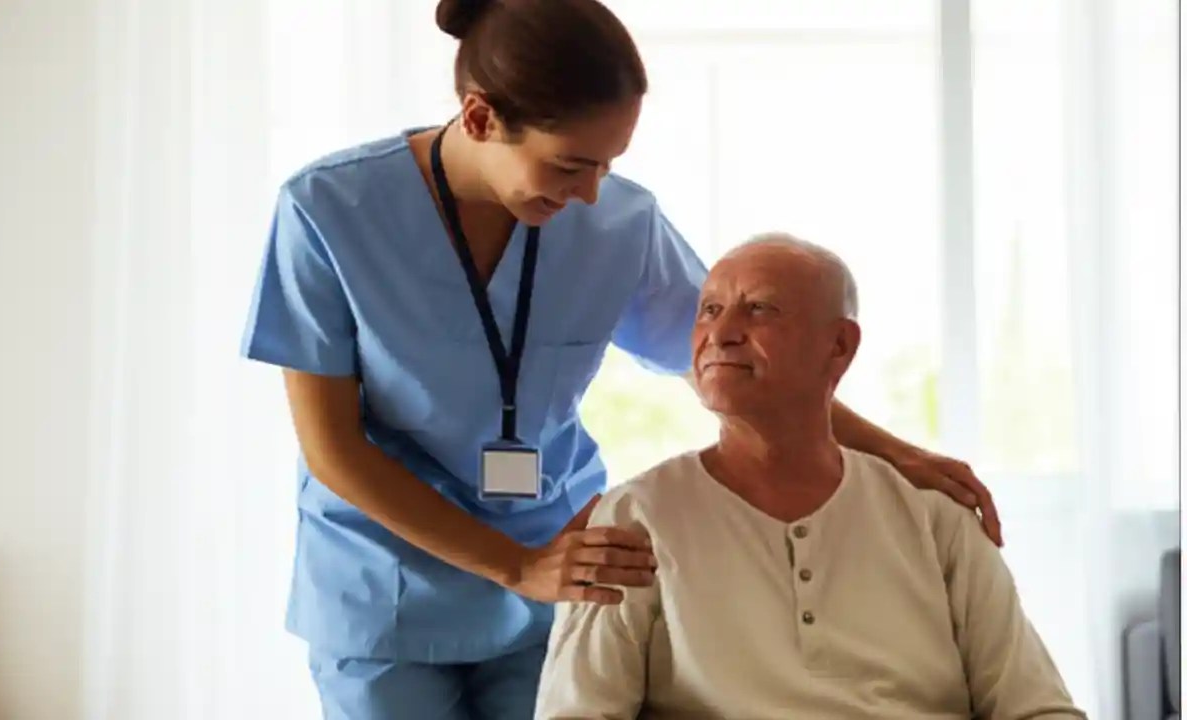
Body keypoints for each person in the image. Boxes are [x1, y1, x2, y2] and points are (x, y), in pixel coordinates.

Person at [240, 1, 1002, 717]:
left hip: (556, 566)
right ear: (479, 116)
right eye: (571, 165)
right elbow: (332, 447)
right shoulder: (328, 211)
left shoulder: (620, 224)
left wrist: (902, 455)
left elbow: (736, 364)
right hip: (387, 583)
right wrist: (512, 566)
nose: (592, 194)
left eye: (608, 164)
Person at [535, 235, 1083, 720]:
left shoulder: (934, 516)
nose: (721, 333)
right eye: (709, 310)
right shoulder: (636, 518)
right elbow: (580, 711)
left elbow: (1034, 705)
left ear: (839, 346)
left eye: (760, 309)